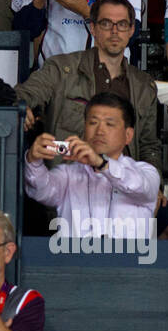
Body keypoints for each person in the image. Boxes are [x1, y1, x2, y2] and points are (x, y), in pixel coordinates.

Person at [16, 0, 161, 172]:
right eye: (106, 23)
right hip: (67, 185)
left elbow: (149, 146)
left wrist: (156, 186)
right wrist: (22, 107)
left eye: (122, 25)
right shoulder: (61, 68)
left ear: (131, 31)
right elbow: (25, 94)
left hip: (122, 189)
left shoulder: (144, 85)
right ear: (93, 28)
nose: (114, 31)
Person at [24, 92, 160, 235]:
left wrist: (101, 163)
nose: (100, 131)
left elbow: (140, 186)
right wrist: (33, 161)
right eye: (93, 123)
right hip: (76, 256)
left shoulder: (146, 172)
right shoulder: (68, 174)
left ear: (128, 135)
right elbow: (40, 190)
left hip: (127, 257)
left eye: (109, 124)